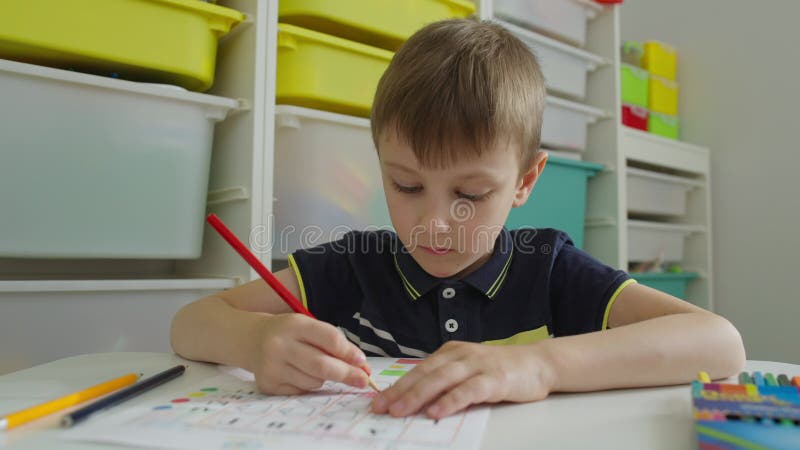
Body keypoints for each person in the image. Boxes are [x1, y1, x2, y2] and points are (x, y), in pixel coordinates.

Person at [171, 19, 745, 420]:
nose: (435, 224)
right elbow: (190, 324)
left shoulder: (546, 267)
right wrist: (257, 340)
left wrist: (540, 366)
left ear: (525, 181)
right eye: (408, 185)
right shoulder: (354, 265)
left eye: (470, 193)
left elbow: (719, 343)